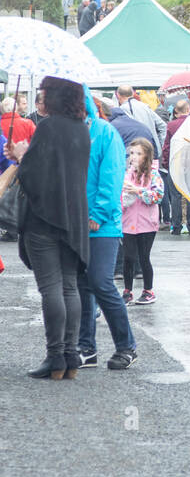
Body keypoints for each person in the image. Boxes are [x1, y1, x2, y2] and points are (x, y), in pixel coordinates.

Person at [13, 77, 90, 379]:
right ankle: (71, 357)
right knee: (69, 286)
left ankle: (55, 356)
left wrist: (20, 155)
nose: (40, 100)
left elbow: (32, 176)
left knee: (50, 288)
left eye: (44, 95)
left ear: (55, 98)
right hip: (74, 218)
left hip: (45, 218)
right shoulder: (82, 130)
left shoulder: (47, 127)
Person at [75, 88, 138, 370]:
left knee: (100, 283)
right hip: (75, 222)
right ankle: (86, 348)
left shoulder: (104, 132)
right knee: (82, 286)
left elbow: (111, 175)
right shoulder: (72, 132)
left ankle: (127, 346)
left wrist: (99, 213)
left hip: (102, 223)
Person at [121, 138, 164, 305]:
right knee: (128, 257)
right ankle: (127, 291)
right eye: (132, 153)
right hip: (128, 222)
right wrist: (124, 199)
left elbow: (158, 196)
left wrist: (138, 191)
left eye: (138, 153)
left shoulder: (153, 174)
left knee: (143, 257)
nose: (134, 157)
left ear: (147, 156)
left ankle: (148, 290)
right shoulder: (127, 174)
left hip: (147, 223)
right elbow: (120, 197)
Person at [160, 100, 190, 236]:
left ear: (176, 112)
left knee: (175, 196)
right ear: (188, 110)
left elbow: (167, 147)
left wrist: (165, 163)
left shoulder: (171, 125)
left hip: (175, 163)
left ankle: (176, 226)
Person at [115, 85, 166, 153]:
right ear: (133, 93)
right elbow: (163, 125)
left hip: (136, 153)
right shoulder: (145, 106)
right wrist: (161, 146)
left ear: (118, 95)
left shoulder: (122, 110)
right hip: (153, 150)